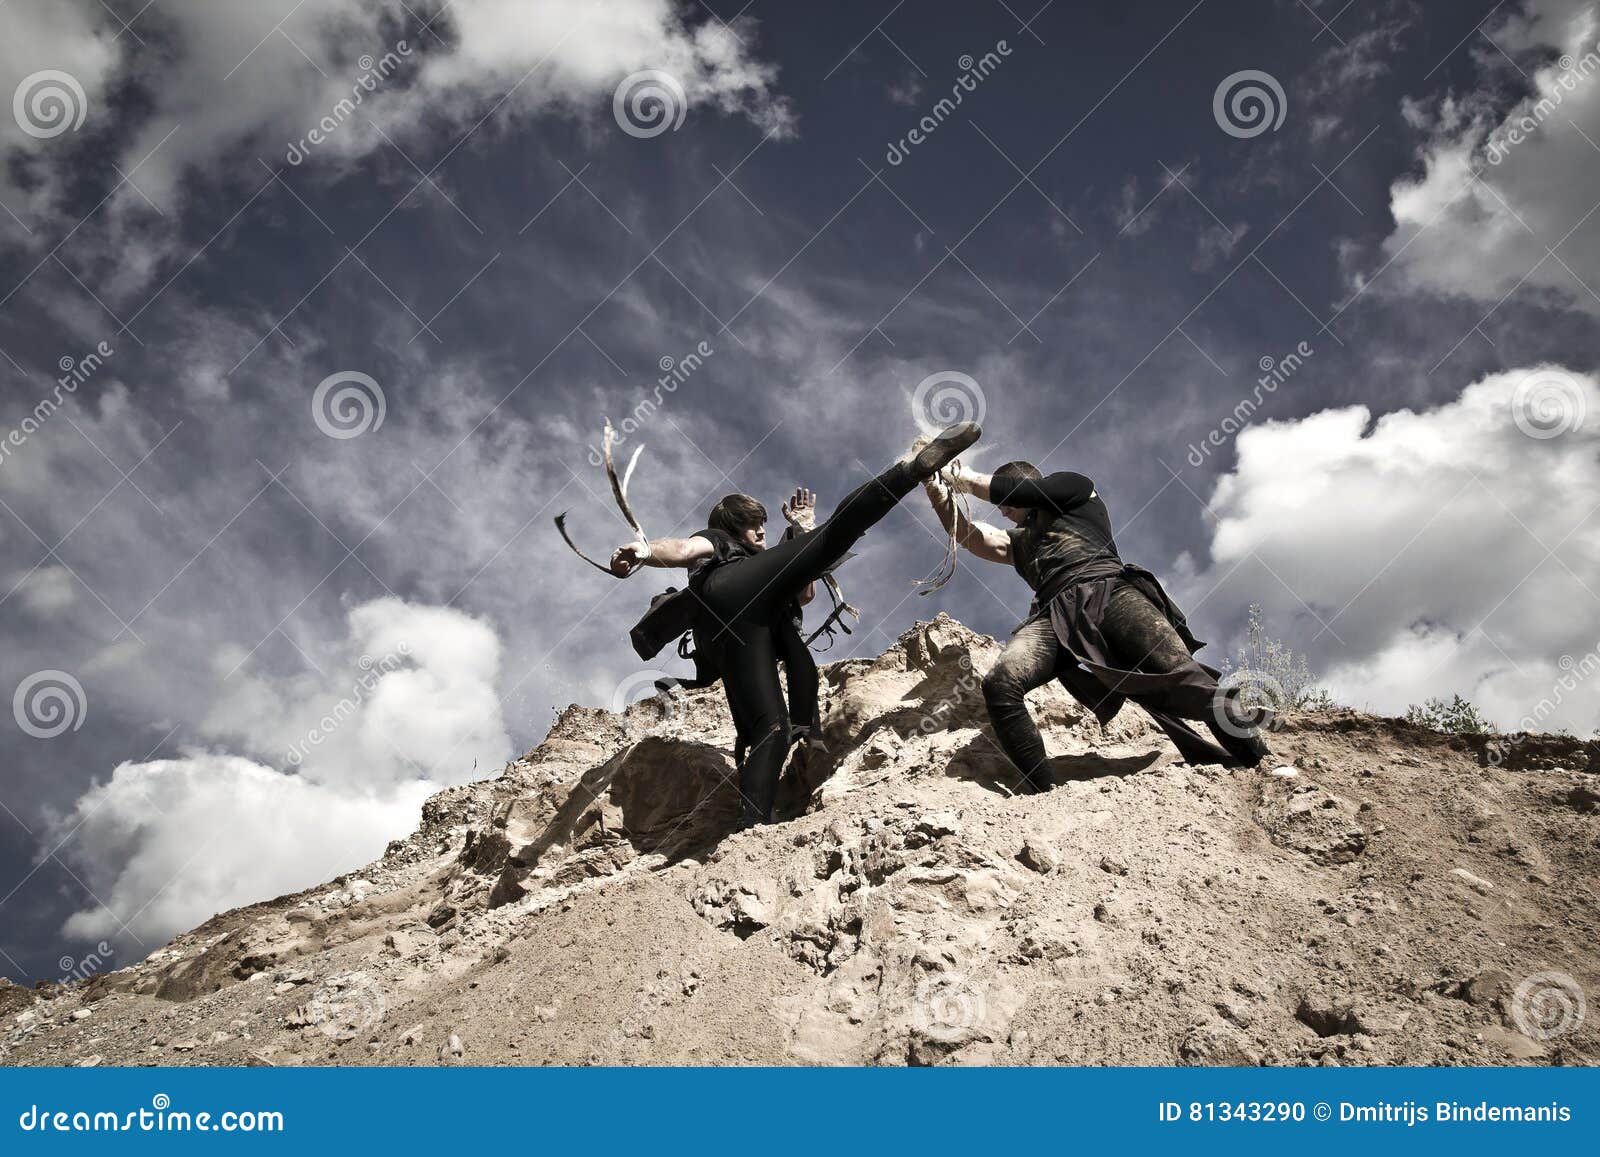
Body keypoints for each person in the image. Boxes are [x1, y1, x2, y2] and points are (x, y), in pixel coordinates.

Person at [616, 421, 982, 828]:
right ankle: (911, 470)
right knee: (836, 534)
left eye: (763, 523)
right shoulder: (719, 539)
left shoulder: (768, 562)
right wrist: (645, 550)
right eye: (753, 523)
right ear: (734, 525)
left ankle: (750, 824)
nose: (761, 529)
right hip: (733, 589)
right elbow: (685, 548)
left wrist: (802, 527)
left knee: (770, 728)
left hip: (730, 633)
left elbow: (804, 595)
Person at [923, 458, 1270, 793]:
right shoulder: (1019, 541)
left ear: (1023, 489)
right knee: (1000, 684)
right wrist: (936, 488)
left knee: (1184, 677)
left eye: (1007, 503)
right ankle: (1044, 793)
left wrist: (960, 475)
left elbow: (1009, 491)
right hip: (1054, 618)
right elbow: (970, 536)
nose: (1002, 512)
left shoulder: (1075, 491)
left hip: (1110, 593)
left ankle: (1260, 764)